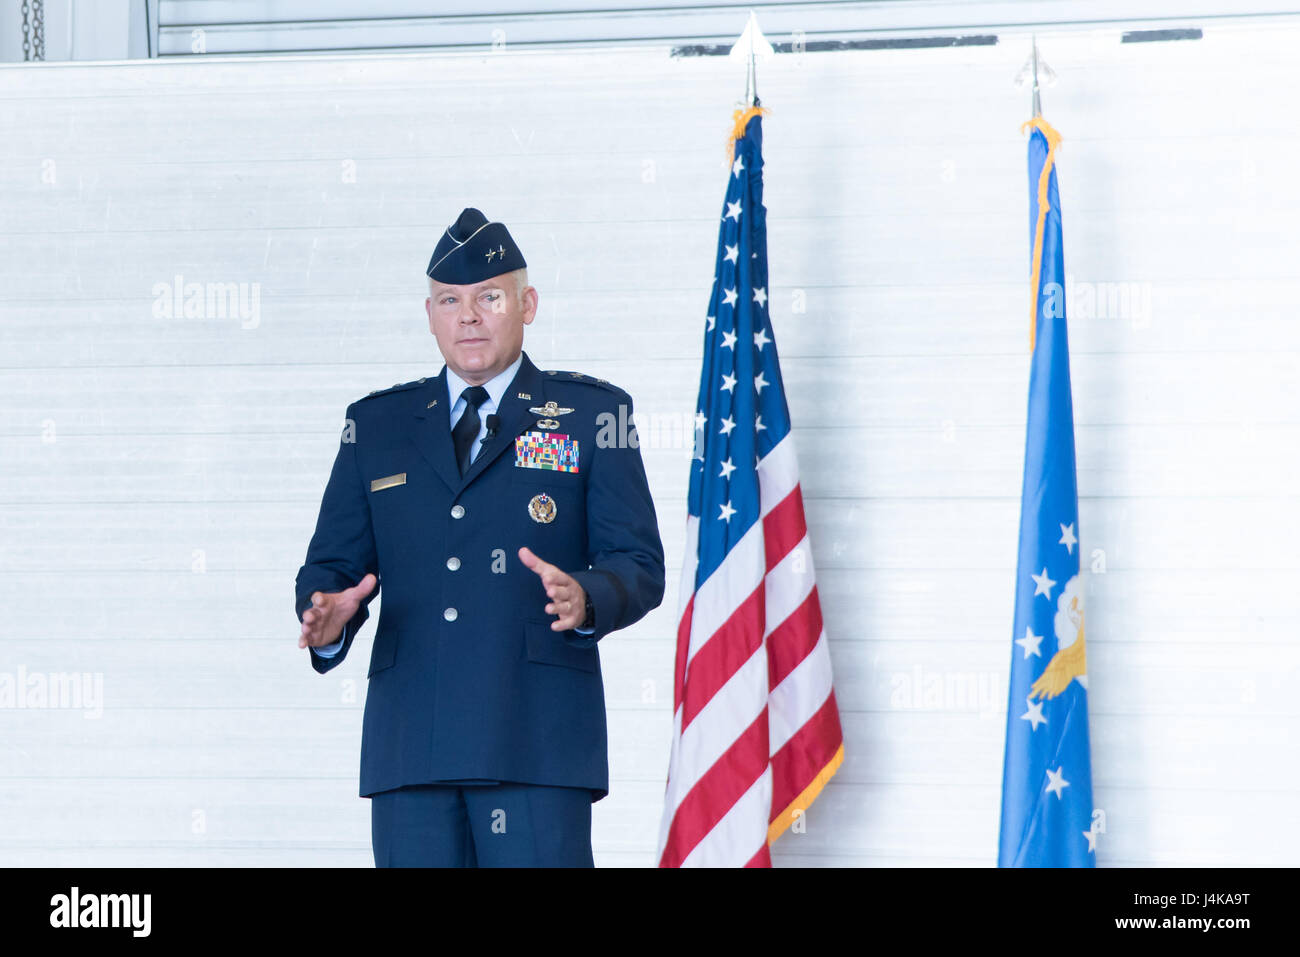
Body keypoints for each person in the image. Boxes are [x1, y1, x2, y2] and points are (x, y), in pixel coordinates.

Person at [293, 207, 665, 866]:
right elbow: (332, 566)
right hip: (412, 747)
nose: (468, 316)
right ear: (430, 313)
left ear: (528, 305)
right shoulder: (376, 427)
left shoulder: (592, 415)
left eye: (489, 297)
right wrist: (326, 619)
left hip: (537, 741)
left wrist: (587, 595)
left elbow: (638, 561)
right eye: (450, 301)